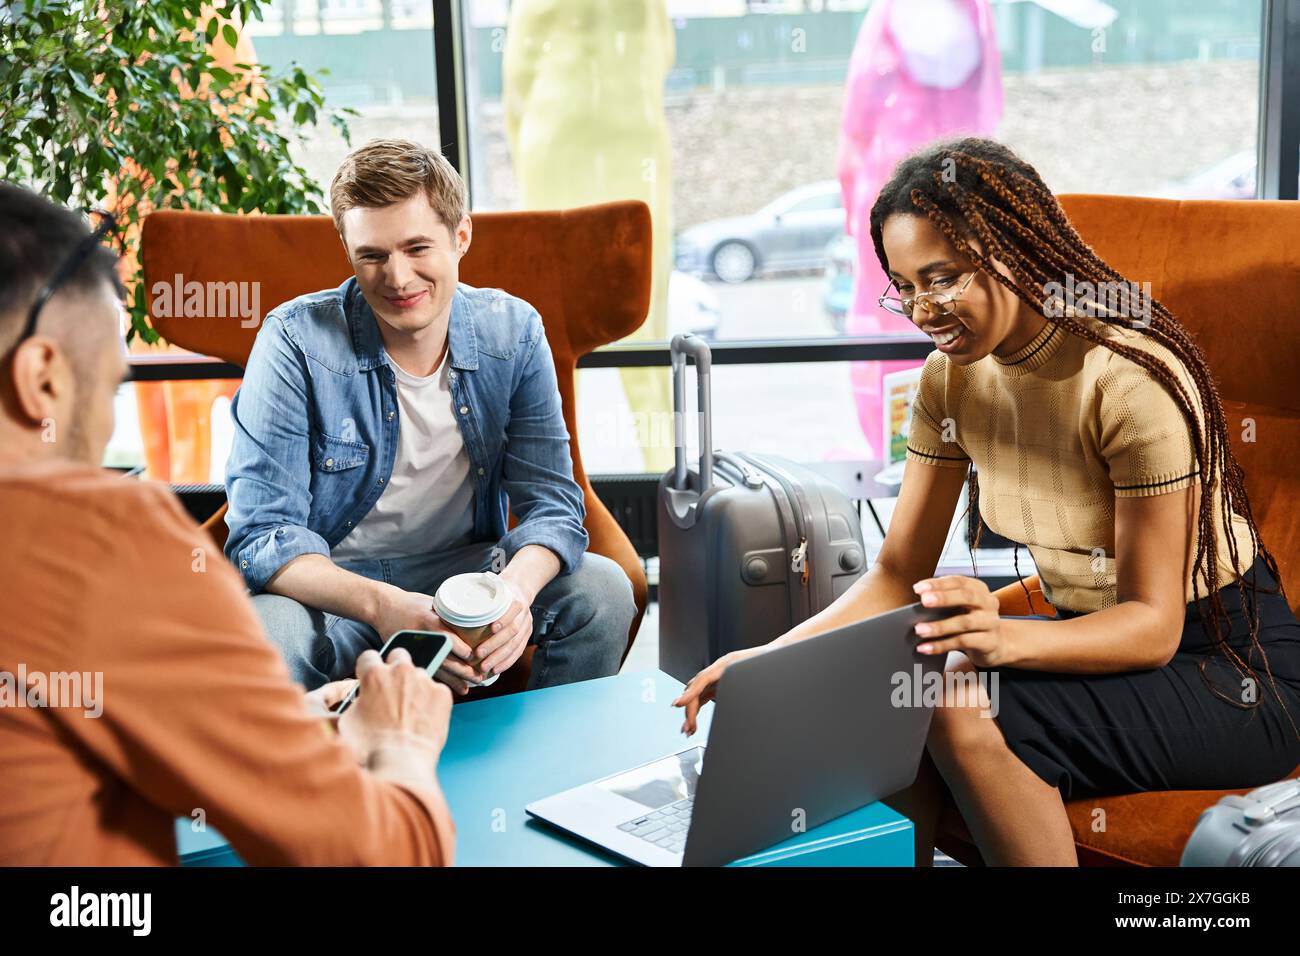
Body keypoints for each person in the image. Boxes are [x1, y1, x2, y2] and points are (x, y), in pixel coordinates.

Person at [673, 138, 1300, 866]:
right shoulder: (951, 381)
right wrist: (764, 664)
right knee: (887, 693)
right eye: (903, 285)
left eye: (941, 277)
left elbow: (1152, 627)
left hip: (1227, 667)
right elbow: (896, 572)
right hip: (1088, 640)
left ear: (1010, 253)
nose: (921, 308)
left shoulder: (1127, 379)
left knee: (951, 705)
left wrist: (1003, 639)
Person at [0, 182, 457, 866]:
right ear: (42, 380)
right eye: (110, 384)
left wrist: (274, 734)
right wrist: (405, 740)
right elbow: (390, 855)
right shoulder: (98, 538)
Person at [225, 138, 636, 694]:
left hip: (470, 578)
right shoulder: (293, 340)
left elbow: (554, 508)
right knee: (267, 630)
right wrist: (385, 605)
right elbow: (262, 535)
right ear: (347, 249)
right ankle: (326, 777)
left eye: (417, 247)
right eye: (372, 255)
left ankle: (541, 769)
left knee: (604, 592)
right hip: (339, 593)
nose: (397, 278)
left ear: (460, 236)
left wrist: (513, 593)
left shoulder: (513, 333)